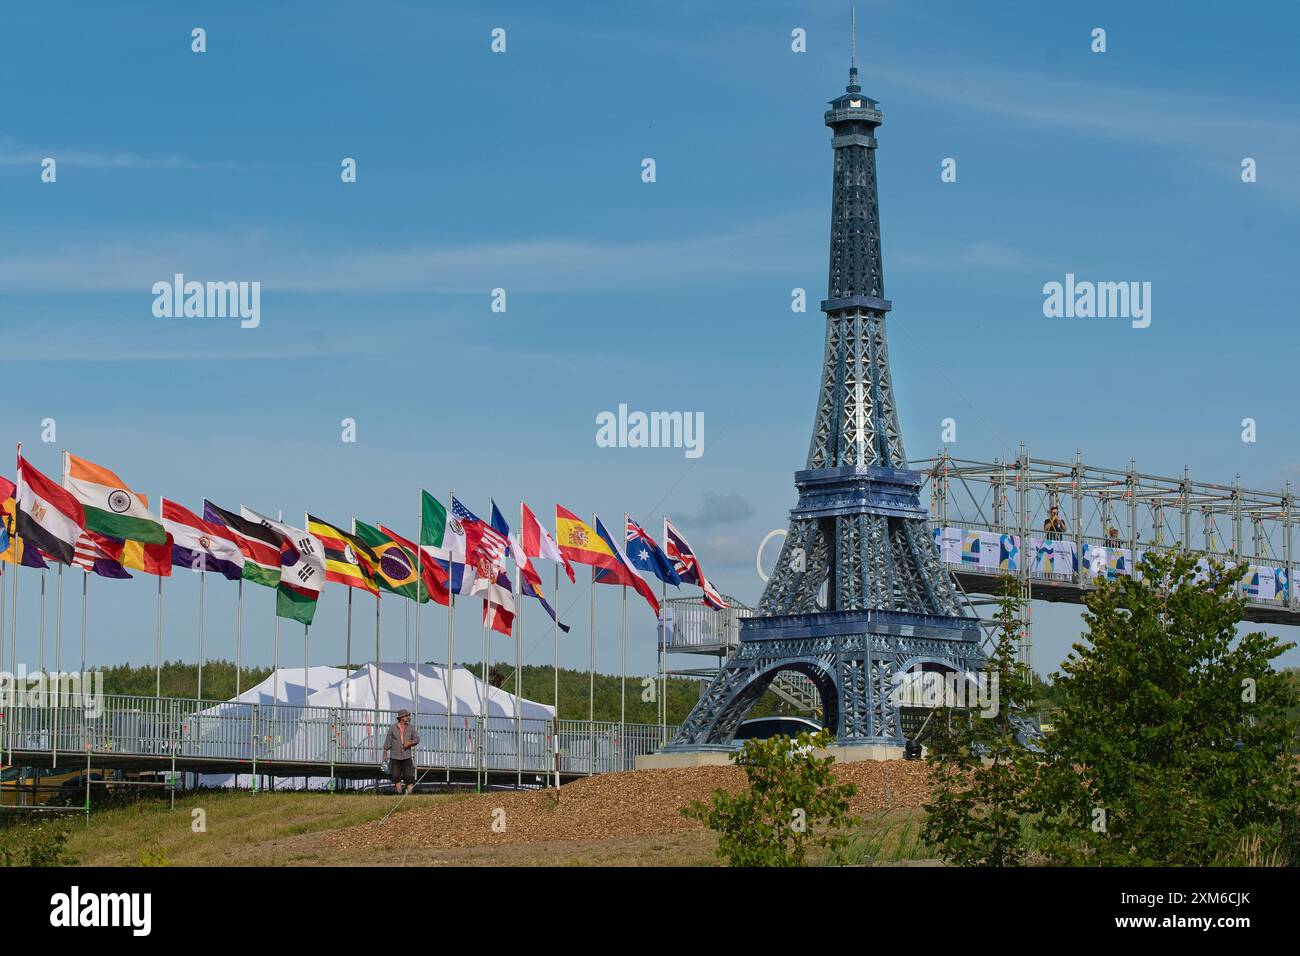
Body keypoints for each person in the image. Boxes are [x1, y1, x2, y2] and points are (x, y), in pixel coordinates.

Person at [382, 708, 420, 795]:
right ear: (401, 717)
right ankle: (399, 791)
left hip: (407, 755)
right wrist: (385, 753)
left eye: (408, 715)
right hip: (395, 755)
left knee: (408, 775)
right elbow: (388, 741)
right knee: (395, 775)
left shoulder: (411, 728)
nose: (408, 717)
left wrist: (410, 742)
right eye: (406, 716)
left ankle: (409, 792)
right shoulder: (392, 728)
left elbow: (417, 739)